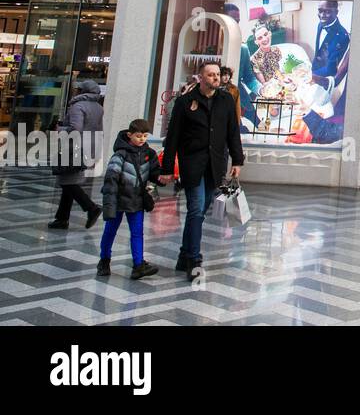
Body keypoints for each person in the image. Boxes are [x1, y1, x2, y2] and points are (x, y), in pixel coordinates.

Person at [161, 61, 245, 278]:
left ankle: (183, 254)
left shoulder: (225, 100)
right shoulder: (185, 102)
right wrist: (168, 167)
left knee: (200, 211)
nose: (216, 78)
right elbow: (173, 137)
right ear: (201, 77)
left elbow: (232, 132)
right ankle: (194, 259)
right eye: (211, 75)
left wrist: (237, 161)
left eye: (217, 74)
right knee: (196, 209)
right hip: (192, 163)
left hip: (215, 165)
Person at [97, 119, 167, 280]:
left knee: (137, 233)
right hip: (118, 199)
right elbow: (111, 179)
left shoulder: (149, 154)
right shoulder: (120, 154)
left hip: (136, 200)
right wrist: (109, 204)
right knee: (110, 231)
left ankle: (138, 265)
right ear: (129, 135)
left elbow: (155, 174)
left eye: (144, 136)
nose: (142, 139)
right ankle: (104, 260)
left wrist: (164, 177)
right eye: (138, 136)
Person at [48, 79, 104, 230]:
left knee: (67, 181)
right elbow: (99, 130)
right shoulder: (99, 107)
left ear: (82, 91)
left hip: (74, 148)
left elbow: (75, 128)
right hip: (88, 147)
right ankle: (62, 218)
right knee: (69, 180)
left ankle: (91, 208)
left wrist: (59, 129)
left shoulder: (77, 106)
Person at [302, 0, 350, 144]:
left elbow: (331, 69)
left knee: (310, 114)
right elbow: (319, 54)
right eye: (320, 10)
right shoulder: (320, 25)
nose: (322, 15)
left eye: (327, 11)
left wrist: (312, 77)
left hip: (327, 83)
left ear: (336, 11)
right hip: (315, 76)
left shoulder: (342, 36)